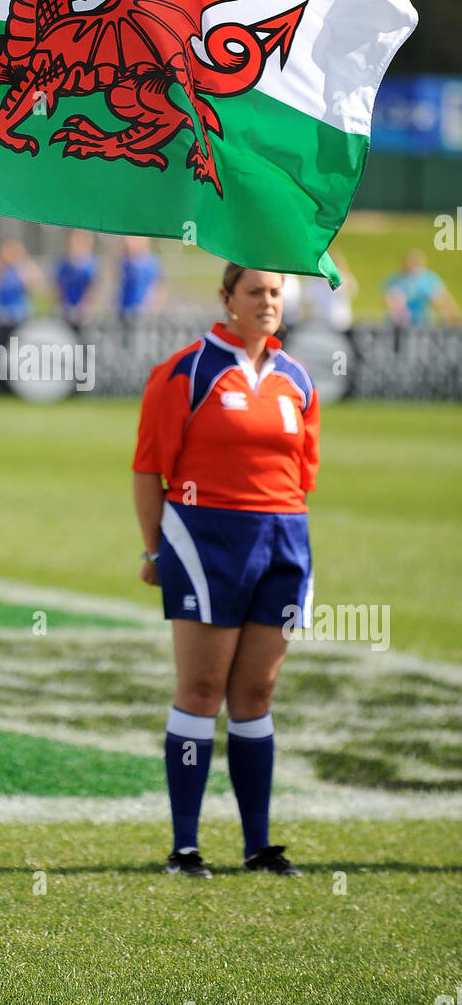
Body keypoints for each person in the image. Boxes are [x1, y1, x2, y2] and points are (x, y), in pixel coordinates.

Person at [132, 264, 320, 879]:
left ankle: (258, 846)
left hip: (285, 539)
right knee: (202, 691)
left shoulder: (297, 379)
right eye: (254, 292)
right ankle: (185, 848)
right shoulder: (187, 371)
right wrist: (155, 550)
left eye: (275, 292)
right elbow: (147, 468)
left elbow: (306, 470)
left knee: (256, 693)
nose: (267, 302)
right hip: (204, 540)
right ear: (227, 300)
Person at [383, 249, 459, 327]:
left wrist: (451, 318)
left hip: (423, 323)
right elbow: (392, 302)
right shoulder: (395, 281)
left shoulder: (429, 279)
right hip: (400, 325)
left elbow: (444, 301)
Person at [0, 236, 42, 326]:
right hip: (2, 315)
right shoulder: (0, 270)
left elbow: (34, 285)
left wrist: (22, 258)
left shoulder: (22, 269)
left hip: (20, 315)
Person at [55, 230, 99, 324]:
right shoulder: (64, 264)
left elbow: (93, 289)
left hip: (85, 313)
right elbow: (59, 287)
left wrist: (86, 307)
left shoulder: (92, 264)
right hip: (67, 312)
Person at [117, 235, 165, 320]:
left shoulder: (151, 262)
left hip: (143, 311)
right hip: (124, 309)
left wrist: (154, 308)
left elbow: (160, 286)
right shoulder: (125, 262)